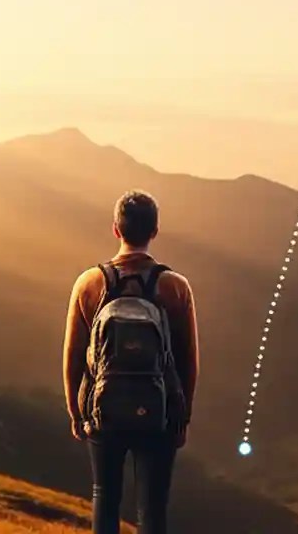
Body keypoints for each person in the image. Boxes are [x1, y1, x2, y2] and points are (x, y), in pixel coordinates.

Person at [63, 189, 199, 534]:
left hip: (102, 410)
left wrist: (76, 413)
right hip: (160, 411)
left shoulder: (89, 283)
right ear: (154, 231)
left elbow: (73, 356)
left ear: (115, 229)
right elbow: (188, 360)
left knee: (105, 497)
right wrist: (182, 416)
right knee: (152, 507)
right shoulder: (175, 287)